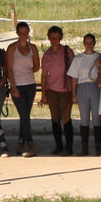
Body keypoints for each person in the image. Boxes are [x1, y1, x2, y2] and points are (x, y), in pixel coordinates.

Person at [3, 21, 40, 157]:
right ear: (17, 33)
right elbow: (9, 69)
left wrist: (26, 70)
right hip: (17, 85)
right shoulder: (12, 48)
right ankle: (30, 144)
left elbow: (36, 67)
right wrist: (13, 86)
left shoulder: (33, 48)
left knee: (25, 116)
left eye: (26, 33)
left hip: (30, 85)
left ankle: (20, 143)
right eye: (21, 33)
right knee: (24, 115)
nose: (24, 35)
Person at [39, 26, 76, 156]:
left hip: (66, 89)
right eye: (52, 38)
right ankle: (58, 145)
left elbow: (74, 72)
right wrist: (43, 94)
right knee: (55, 118)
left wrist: (74, 93)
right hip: (52, 90)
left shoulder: (67, 51)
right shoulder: (47, 54)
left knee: (66, 118)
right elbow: (44, 75)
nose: (54, 40)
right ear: (49, 38)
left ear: (61, 38)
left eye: (57, 38)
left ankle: (69, 147)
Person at [67, 33, 101, 157]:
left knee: (97, 117)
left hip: (96, 87)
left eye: (91, 42)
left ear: (94, 43)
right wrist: (73, 94)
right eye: (86, 42)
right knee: (84, 118)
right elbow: (74, 78)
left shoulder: (100, 57)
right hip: (82, 87)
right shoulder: (78, 59)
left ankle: (98, 147)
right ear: (83, 43)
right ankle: (84, 147)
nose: (89, 45)